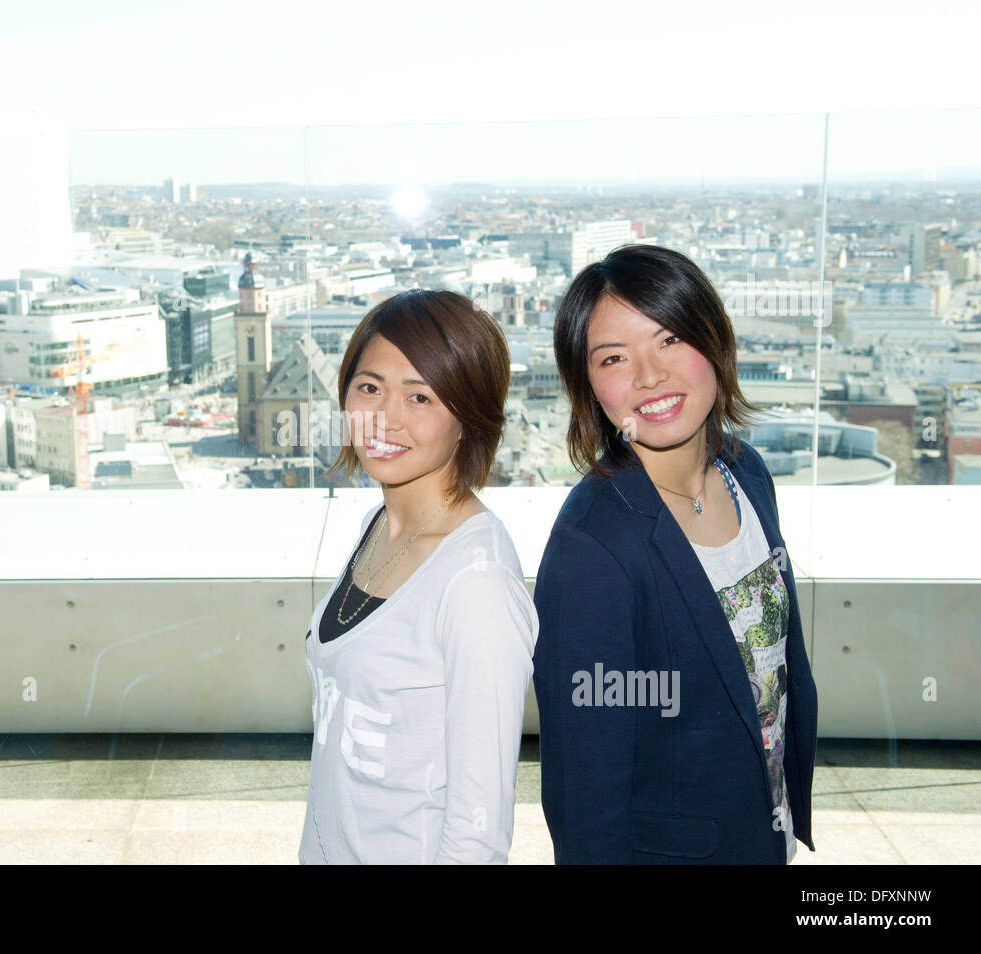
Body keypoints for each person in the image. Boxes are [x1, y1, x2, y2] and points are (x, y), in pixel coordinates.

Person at [533, 245, 818, 864]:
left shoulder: (749, 473)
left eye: (668, 340)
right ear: (589, 387)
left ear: (712, 340)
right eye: (614, 358)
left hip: (765, 832)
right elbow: (585, 786)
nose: (648, 376)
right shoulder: (592, 547)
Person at [299, 289, 538, 864]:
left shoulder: (475, 584)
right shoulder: (377, 524)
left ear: (468, 419)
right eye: (370, 387)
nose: (386, 417)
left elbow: (479, 828)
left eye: (422, 396)